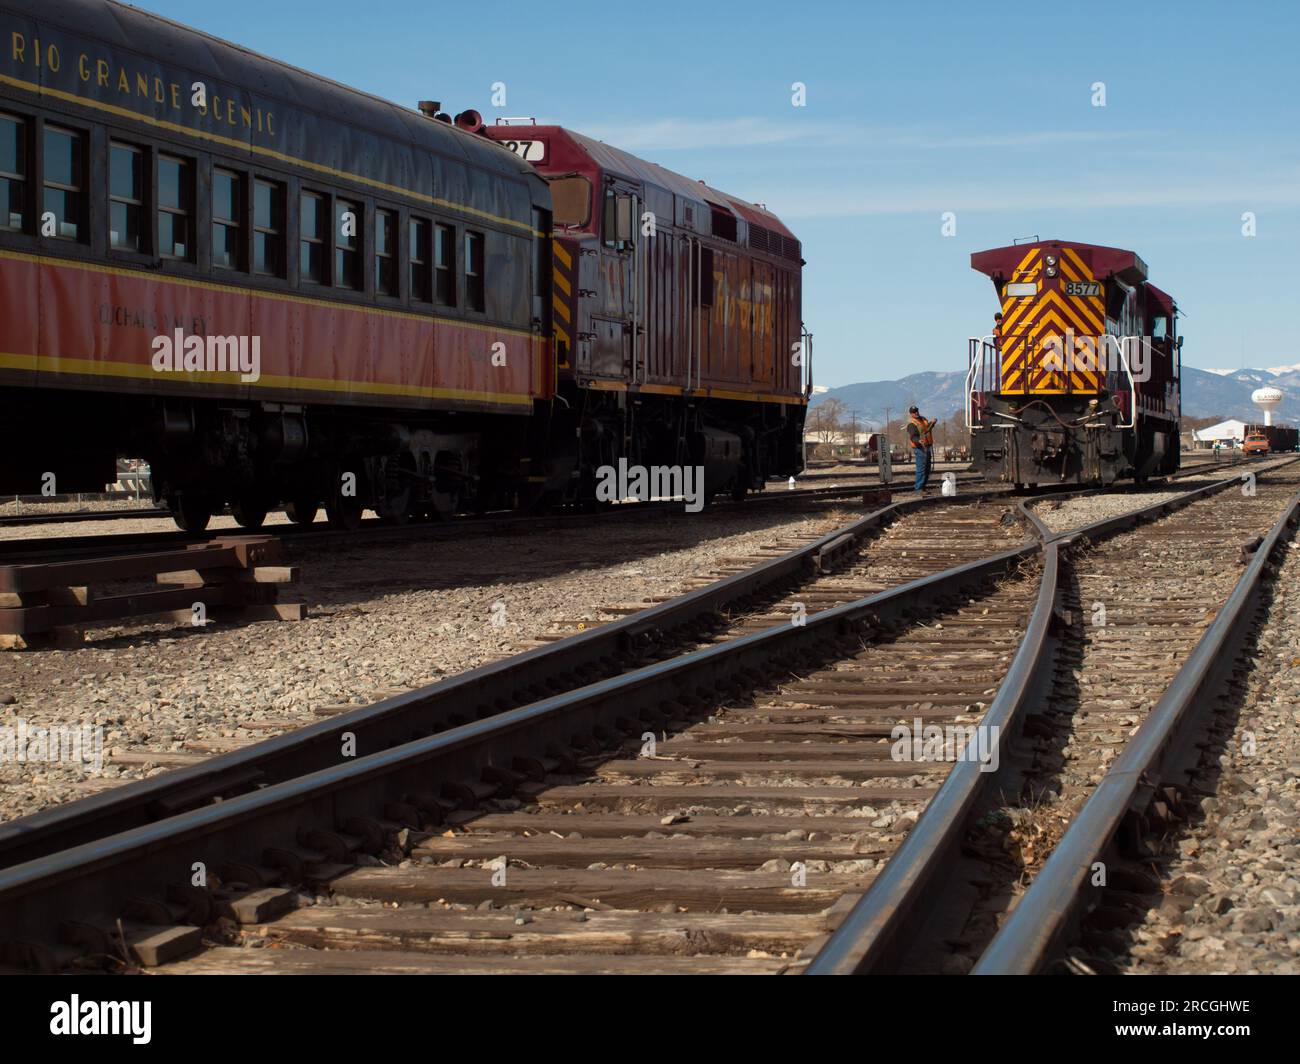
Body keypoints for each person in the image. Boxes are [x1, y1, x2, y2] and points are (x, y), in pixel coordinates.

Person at [907, 405, 937, 493]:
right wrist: (919, 441)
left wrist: (933, 423)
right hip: (919, 448)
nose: (916, 413)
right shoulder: (912, 424)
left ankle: (923, 486)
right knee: (921, 468)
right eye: (914, 412)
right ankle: (918, 488)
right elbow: (913, 436)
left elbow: (927, 429)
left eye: (917, 411)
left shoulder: (923, 420)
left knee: (927, 468)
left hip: (927, 446)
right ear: (911, 414)